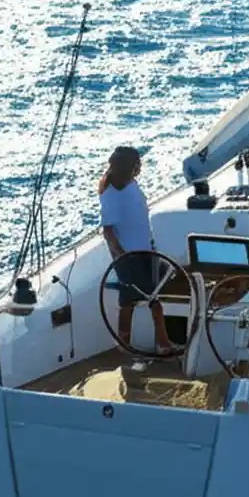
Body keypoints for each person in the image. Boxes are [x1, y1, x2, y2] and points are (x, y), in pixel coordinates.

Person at [98, 146, 173, 353]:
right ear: (130, 167)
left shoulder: (130, 184)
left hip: (145, 250)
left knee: (144, 297)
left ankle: (138, 343)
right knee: (144, 301)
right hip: (129, 256)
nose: (140, 166)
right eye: (137, 163)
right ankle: (156, 344)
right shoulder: (111, 195)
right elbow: (108, 232)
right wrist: (123, 256)